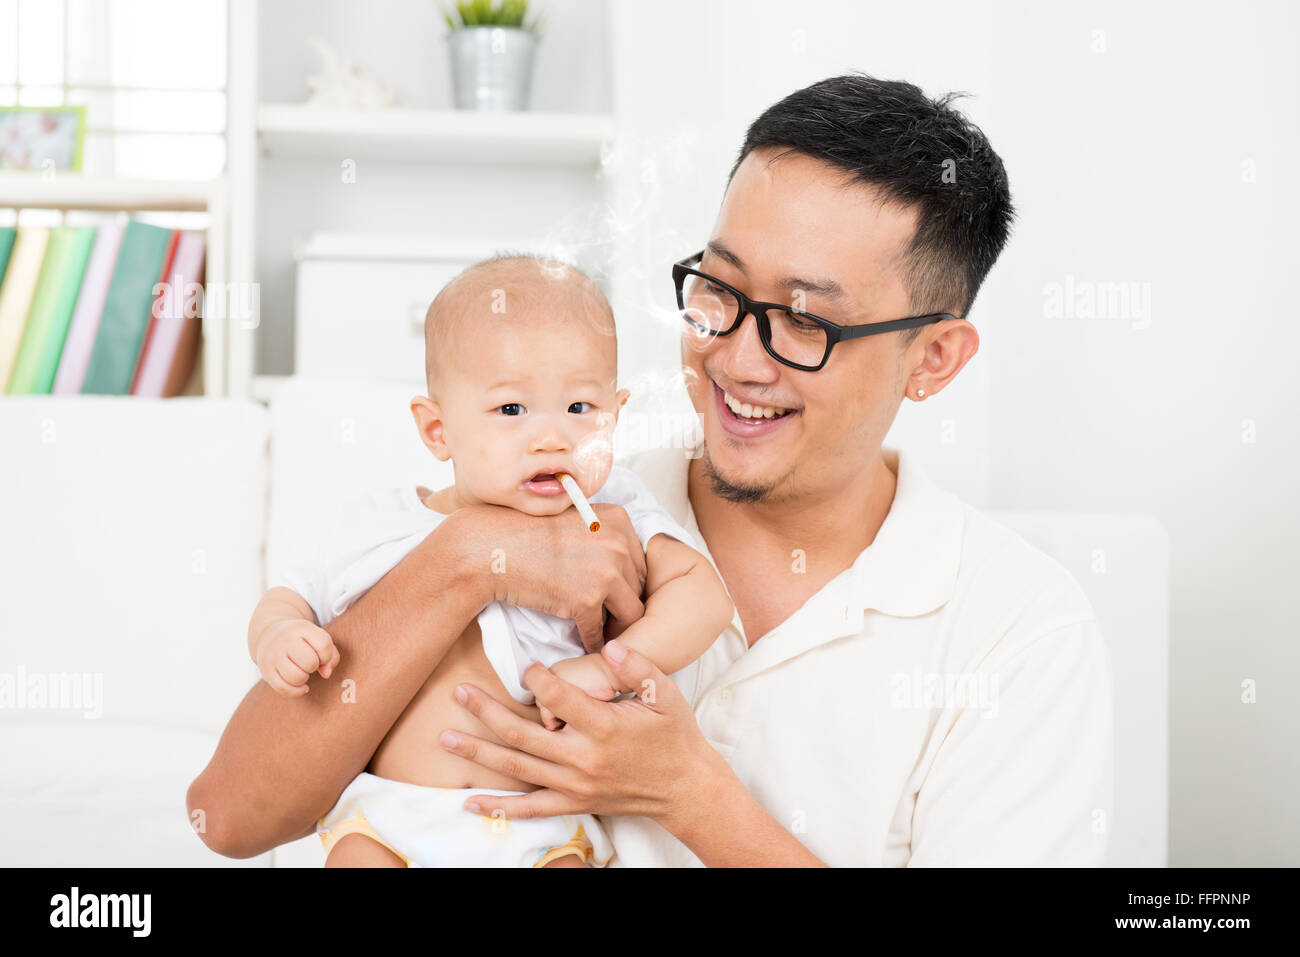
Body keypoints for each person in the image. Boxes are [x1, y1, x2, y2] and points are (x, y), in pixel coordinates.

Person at [189, 75, 1113, 867]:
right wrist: (473, 554)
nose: (738, 361)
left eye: (804, 321)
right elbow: (230, 815)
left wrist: (689, 796)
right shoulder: (565, 498)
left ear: (935, 359)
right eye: (718, 289)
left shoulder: (1018, 632)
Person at [243, 256, 732, 867]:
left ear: (617, 411)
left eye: (581, 409)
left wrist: (609, 671)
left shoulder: (613, 509)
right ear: (437, 429)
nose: (553, 438)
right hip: (393, 821)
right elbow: (291, 595)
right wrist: (280, 636)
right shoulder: (383, 522)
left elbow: (702, 595)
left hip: (540, 830)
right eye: (511, 411)